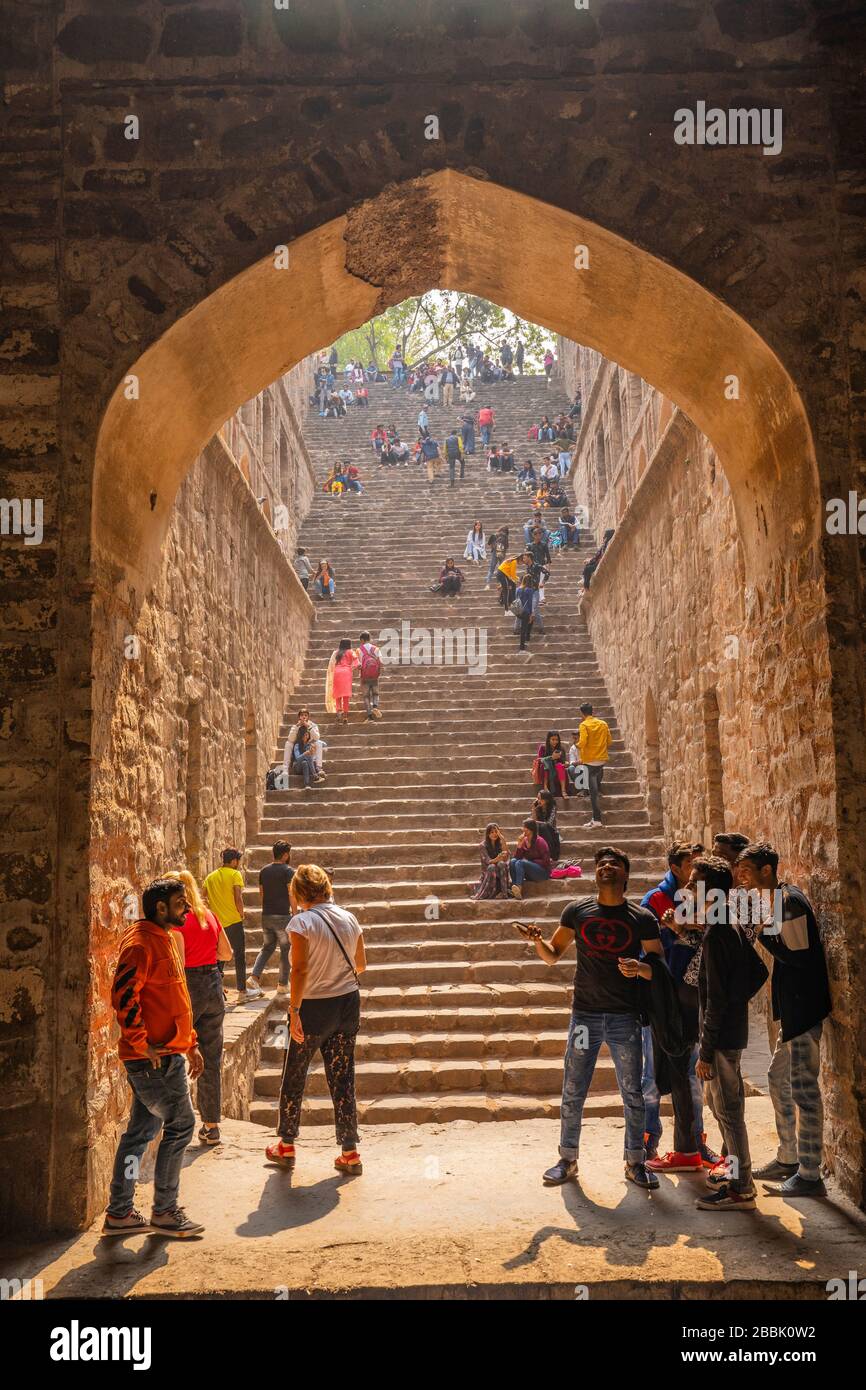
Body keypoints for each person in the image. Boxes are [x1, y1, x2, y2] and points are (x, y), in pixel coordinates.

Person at [519, 847, 663, 1189]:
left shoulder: (641, 918)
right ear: (594, 873)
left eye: (614, 864)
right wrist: (537, 943)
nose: (606, 868)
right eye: (601, 864)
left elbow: (658, 965)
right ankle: (567, 1159)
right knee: (574, 1087)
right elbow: (553, 955)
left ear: (625, 875)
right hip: (585, 1016)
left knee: (632, 1092)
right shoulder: (577, 911)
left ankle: (635, 1162)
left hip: (624, 1018)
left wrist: (639, 967)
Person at [102, 877, 205, 1237]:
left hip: (166, 1054)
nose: (187, 908)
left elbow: (172, 997)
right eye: (181, 903)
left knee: (140, 1133)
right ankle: (164, 1210)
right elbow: (123, 993)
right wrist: (140, 1042)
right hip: (154, 1061)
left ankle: (120, 1212)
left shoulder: (162, 937)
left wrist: (190, 1043)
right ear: (161, 907)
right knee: (181, 1126)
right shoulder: (142, 943)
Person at [734, 842, 832, 1198]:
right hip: (793, 1009)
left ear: (765, 871)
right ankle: (789, 1158)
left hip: (804, 1008)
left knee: (804, 1089)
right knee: (778, 1079)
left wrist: (758, 933)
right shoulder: (776, 900)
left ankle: (810, 1174)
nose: (741, 879)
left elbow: (800, 958)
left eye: (746, 872)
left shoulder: (789, 903)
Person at [266, 865, 366, 1174]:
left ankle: (286, 1145)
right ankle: (350, 1151)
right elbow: (360, 965)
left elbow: (299, 969)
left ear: (298, 892)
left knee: (294, 1072)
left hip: (312, 1007)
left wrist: (295, 1010)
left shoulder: (302, 922)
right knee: (343, 1075)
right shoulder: (350, 918)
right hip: (348, 1003)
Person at [639, 843, 719, 1171]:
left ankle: (693, 1142)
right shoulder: (655, 901)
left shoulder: (704, 902)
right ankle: (648, 1143)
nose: (693, 872)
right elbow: (651, 953)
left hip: (690, 1002)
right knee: (652, 1076)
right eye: (690, 865)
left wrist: (685, 927)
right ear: (676, 867)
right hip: (663, 1000)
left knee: (689, 1074)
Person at [692, 854, 765, 1211]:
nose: (688, 887)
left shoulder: (718, 931)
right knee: (723, 1108)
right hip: (728, 1033)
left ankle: (740, 1186)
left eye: (694, 882)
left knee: (729, 1112)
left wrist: (705, 1052)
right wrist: (736, 1005)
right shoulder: (725, 923)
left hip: (721, 1040)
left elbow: (715, 1000)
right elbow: (757, 973)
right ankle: (739, 1179)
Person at [168, 867, 231, 1148]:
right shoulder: (209, 916)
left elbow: (178, 964)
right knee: (211, 1057)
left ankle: (176, 1122)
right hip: (213, 986)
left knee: (174, 1052)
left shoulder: (178, 924)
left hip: (189, 987)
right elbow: (226, 953)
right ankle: (211, 1126)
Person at [204, 850, 262, 1003]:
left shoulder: (210, 877)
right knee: (239, 955)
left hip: (217, 923)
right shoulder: (235, 875)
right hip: (233, 921)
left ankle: (216, 989)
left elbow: (204, 897)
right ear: (234, 861)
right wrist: (241, 913)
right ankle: (242, 990)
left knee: (219, 957)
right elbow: (238, 897)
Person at [249, 841, 295, 1001]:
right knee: (285, 950)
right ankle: (282, 984)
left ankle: (254, 977)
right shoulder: (288, 871)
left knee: (267, 947)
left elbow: (261, 893)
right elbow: (291, 894)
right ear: (286, 855)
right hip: (283, 916)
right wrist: (295, 913)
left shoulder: (264, 871)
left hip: (266, 915)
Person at [576, 702, 611, 827]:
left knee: (593, 793)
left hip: (590, 761)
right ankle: (595, 818)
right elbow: (609, 741)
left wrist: (577, 746)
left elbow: (583, 742)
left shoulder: (583, 725)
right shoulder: (603, 724)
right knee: (594, 789)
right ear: (593, 711)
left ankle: (597, 820)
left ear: (581, 713)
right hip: (601, 760)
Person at [509, 819, 552, 898]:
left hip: (543, 873)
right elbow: (517, 858)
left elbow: (546, 862)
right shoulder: (524, 841)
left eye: (525, 827)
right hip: (530, 872)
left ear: (531, 829)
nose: (523, 829)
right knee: (512, 861)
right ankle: (514, 889)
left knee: (520, 862)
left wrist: (531, 862)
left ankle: (519, 888)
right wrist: (519, 845)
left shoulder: (540, 842)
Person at [283, 707, 325, 785]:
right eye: (302, 715)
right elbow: (291, 739)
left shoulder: (313, 725)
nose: (304, 717)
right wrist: (296, 727)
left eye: (306, 715)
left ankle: (318, 768)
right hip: (299, 751)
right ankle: (285, 769)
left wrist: (308, 726)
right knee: (288, 743)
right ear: (299, 717)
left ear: (308, 717)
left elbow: (317, 737)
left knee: (319, 742)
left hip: (310, 748)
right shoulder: (296, 726)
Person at [326, 638, 360, 724]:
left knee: (338, 695)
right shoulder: (351, 652)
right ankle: (345, 716)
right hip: (347, 673)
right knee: (346, 696)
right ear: (349, 644)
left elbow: (332, 664)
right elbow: (357, 663)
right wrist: (351, 667)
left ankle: (338, 712)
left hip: (337, 672)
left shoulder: (336, 652)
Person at [472, 824, 511, 900]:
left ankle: (504, 893)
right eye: (492, 832)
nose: (494, 834)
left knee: (502, 864)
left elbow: (506, 858)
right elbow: (488, 861)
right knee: (492, 866)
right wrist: (498, 858)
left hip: (500, 872)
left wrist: (503, 839)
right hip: (488, 872)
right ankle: (488, 893)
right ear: (488, 834)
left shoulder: (500, 844)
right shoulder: (482, 845)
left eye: (496, 832)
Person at [535, 729, 570, 799]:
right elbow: (539, 760)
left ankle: (563, 790)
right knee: (545, 766)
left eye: (557, 740)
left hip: (557, 768)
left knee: (560, 766)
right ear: (548, 739)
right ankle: (545, 787)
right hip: (546, 768)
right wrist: (551, 757)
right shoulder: (543, 747)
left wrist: (566, 763)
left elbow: (563, 761)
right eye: (553, 739)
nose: (555, 742)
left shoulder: (561, 748)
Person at [358, 629, 383, 721]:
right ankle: (375, 706)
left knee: (366, 696)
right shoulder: (376, 649)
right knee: (376, 693)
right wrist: (378, 670)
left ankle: (369, 715)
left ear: (362, 640)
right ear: (369, 639)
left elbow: (358, 664)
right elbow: (381, 661)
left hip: (364, 676)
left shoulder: (359, 650)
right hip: (375, 675)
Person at [532, 789, 560, 862]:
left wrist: (537, 823)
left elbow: (549, 823)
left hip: (551, 832)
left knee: (543, 827)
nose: (538, 800)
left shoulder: (553, 806)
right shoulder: (537, 805)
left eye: (540, 799)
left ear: (546, 800)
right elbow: (533, 820)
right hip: (540, 830)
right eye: (537, 798)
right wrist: (533, 809)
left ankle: (550, 853)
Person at [514, 573, 539, 656]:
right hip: (526, 611)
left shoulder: (518, 589)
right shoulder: (529, 590)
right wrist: (532, 614)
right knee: (523, 629)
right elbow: (531, 602)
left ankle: (526, 640)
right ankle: (522, 647)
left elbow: (516, 599)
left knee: (524, 626)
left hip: (518, 611)